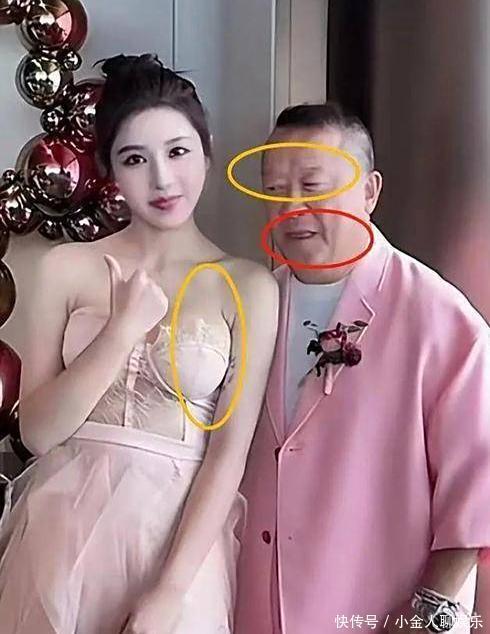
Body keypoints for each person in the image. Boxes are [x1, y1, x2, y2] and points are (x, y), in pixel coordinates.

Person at [0, 53, 279, 634]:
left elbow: (228, 455)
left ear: (207, 152)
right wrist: (121, 330)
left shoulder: (248, 286)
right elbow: (38, 433)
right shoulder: (65, 268)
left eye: (177, 152)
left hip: (176, 547)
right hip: (60, 532)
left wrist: (170, 592)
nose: (162, 180)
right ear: (109, 169)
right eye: (135, 159)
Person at [234, 102, 490, 634]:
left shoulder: (438, 316)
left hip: (383, 612)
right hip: (252, 604)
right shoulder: (249, 305)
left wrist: (426, 617)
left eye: (313, 186)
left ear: (369, 191)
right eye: (275, 190)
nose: (292, 208)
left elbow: (476, 491)